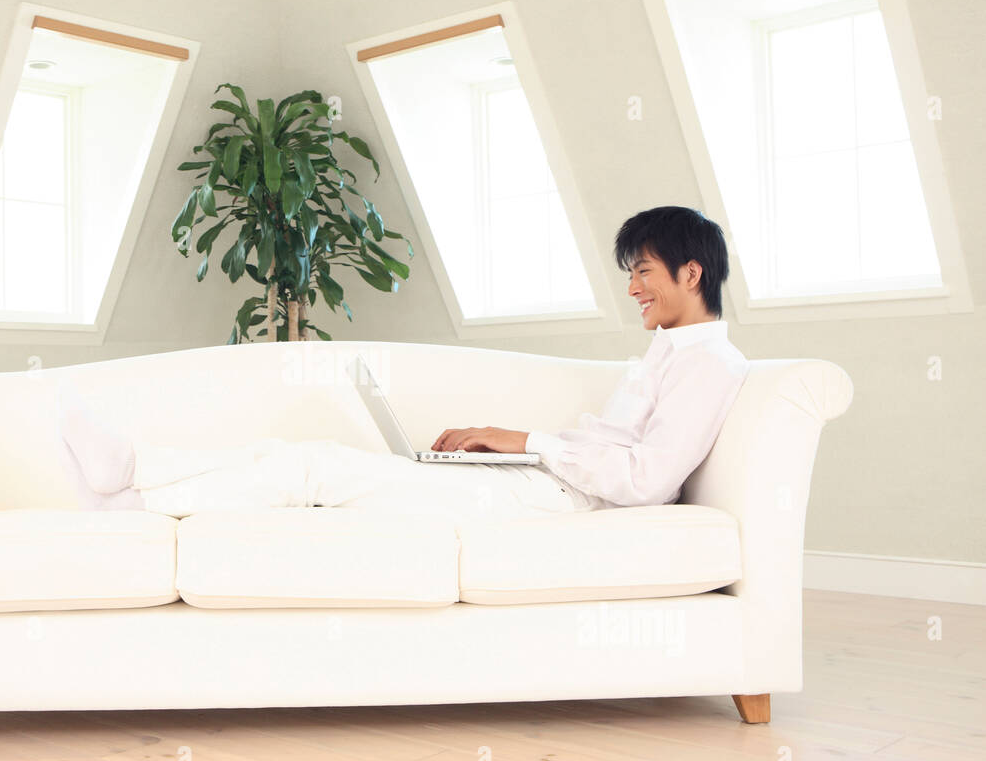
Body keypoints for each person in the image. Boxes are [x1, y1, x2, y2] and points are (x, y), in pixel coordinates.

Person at [57, 206, 750, 524]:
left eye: (645, 272)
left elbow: (650, 479)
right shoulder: (669, 350)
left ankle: (139, 500)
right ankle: (134, 475)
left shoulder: (711, 365)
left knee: (317, 471)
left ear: (692, 273)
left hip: (552, 500)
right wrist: (516, 449)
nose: (632, 287)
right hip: (539, 481)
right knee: (293, 452)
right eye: (630, 273)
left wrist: (527, 443)